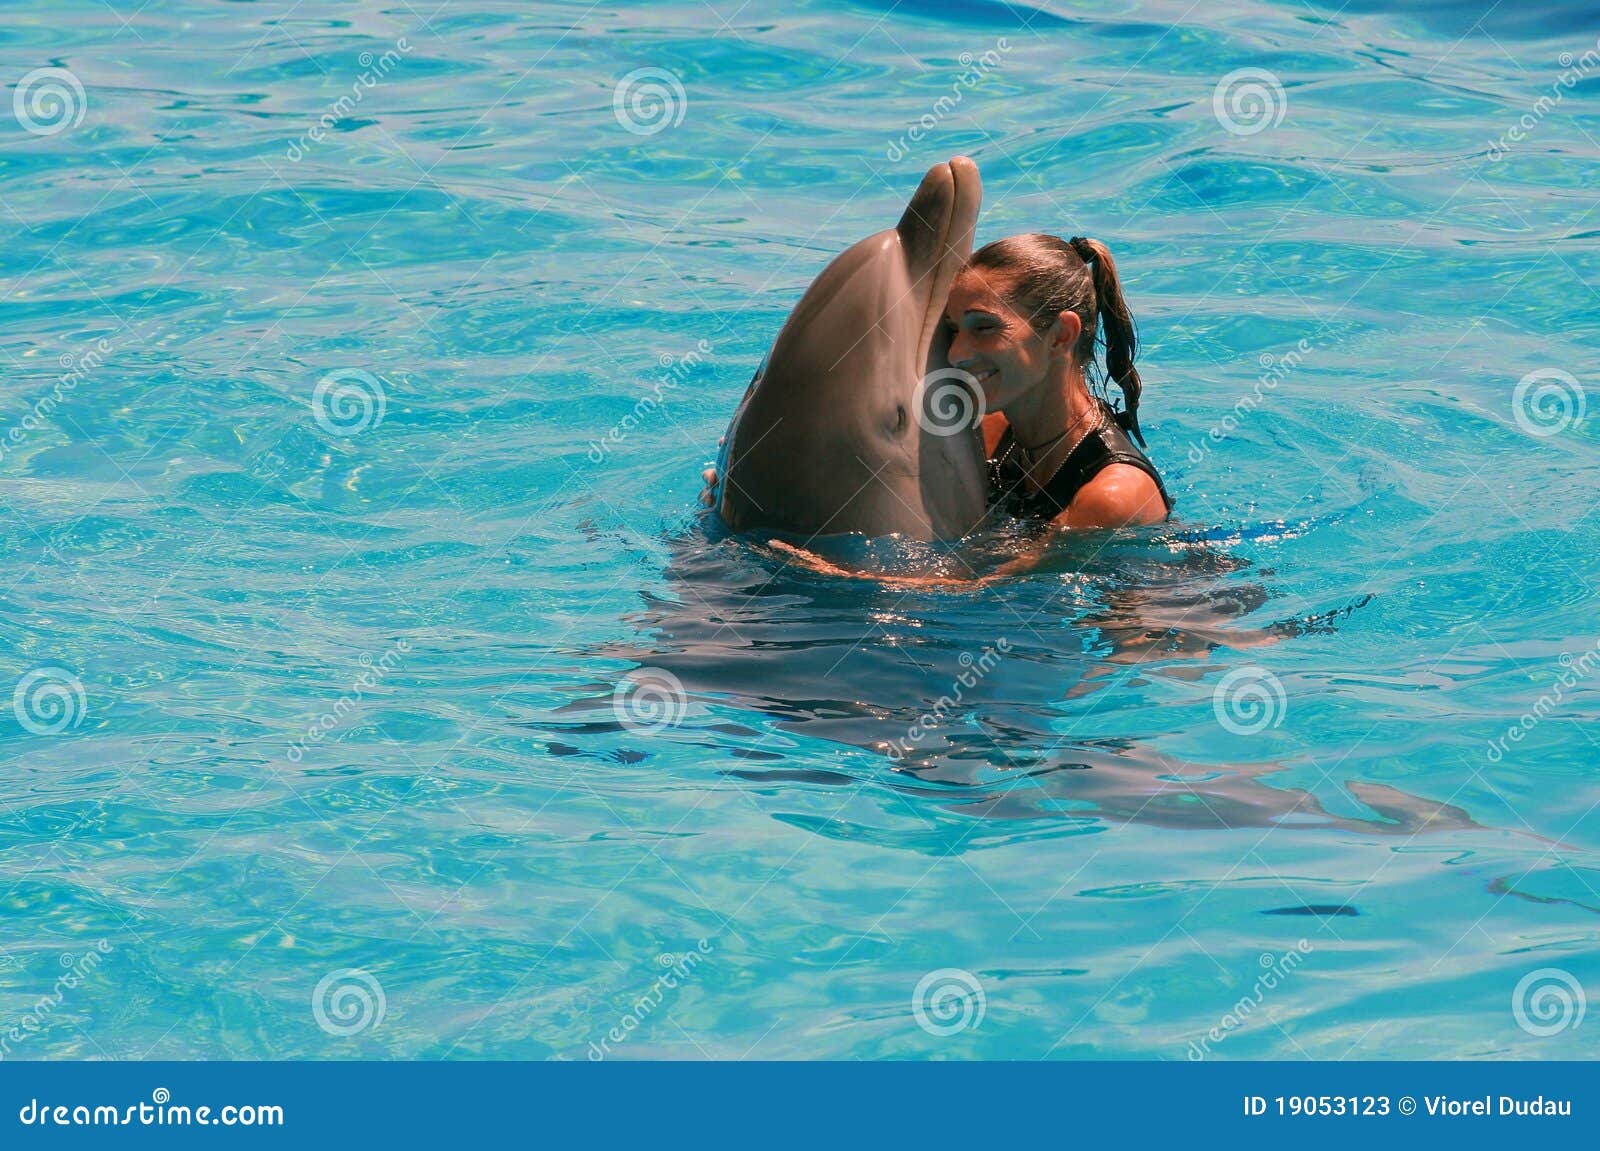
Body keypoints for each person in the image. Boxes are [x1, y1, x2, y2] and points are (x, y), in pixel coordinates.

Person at [703, 233, 1172, 583]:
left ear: (1061, 335)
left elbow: (985, 590)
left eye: (984, 327)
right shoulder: (984, 422)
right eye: (953, 329)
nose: (957, 353)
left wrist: (824, 570)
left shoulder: (1112, 496)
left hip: (1113, 631)